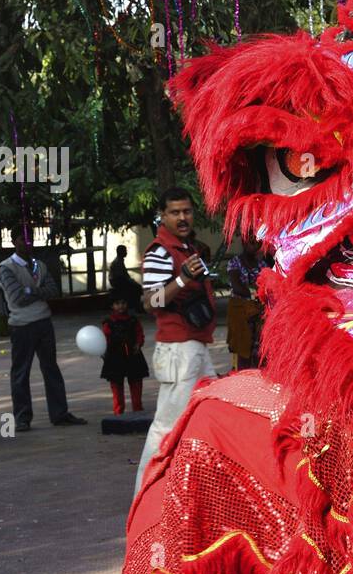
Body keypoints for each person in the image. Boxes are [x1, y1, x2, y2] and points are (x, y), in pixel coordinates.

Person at [135, 187, 219, 487]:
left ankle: (186, 491)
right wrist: (182, 278)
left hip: (194, 347)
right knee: (166, 427)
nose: (182, 217)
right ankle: (146, 495)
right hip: (178, 350)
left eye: (187, 211)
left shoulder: (186, 248)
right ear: (163, 216)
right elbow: (150, 303)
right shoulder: (160, 251)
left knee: (206, 415)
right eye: (175, 212)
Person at [0, 228, 86, 431]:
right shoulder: (6, 267)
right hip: (21, 324)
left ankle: (59, 413)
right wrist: (37, 291)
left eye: (29, 239)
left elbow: (53, 292)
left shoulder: (39, 265)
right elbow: (17, 298)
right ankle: (22, 418)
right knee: (21, 372)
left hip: (43, 322)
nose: (27, 243)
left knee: (51, 368)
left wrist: (29, 290)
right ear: (13, 241)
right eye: (22, 238)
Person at [101, 293, 148, 415]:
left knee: (136, 383)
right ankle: (118, 412)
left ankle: (138, 410)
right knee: (117, 387)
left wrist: (139, 343)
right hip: (115, 357)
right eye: (117, 304)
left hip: (133, 354)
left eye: (123, 303)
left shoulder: (133, 320)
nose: (121, 306)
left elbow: (139, 333)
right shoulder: (108, 322)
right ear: (112, 306)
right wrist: (103, 350)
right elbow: (104, 338)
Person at [226, 243, 264, 371]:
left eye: (255, 240)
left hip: (258, 311)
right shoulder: (234, 262)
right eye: (249, 239)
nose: (252, 243)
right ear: (243, 241)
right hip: (241, 310)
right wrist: (256, 292)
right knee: (242, 350)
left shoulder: (262, 264)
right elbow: (237, 287)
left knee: (259, 349)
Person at [110, 245, 143, 312]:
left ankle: (136, 306)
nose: (126, 252)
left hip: (120, 281)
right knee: (137, 288)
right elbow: (123, 276)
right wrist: (132, 282)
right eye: (125, 251)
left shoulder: (119, 261)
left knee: (137, 287)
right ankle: (137, 307)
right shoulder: (118, 262)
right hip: (119, 282)